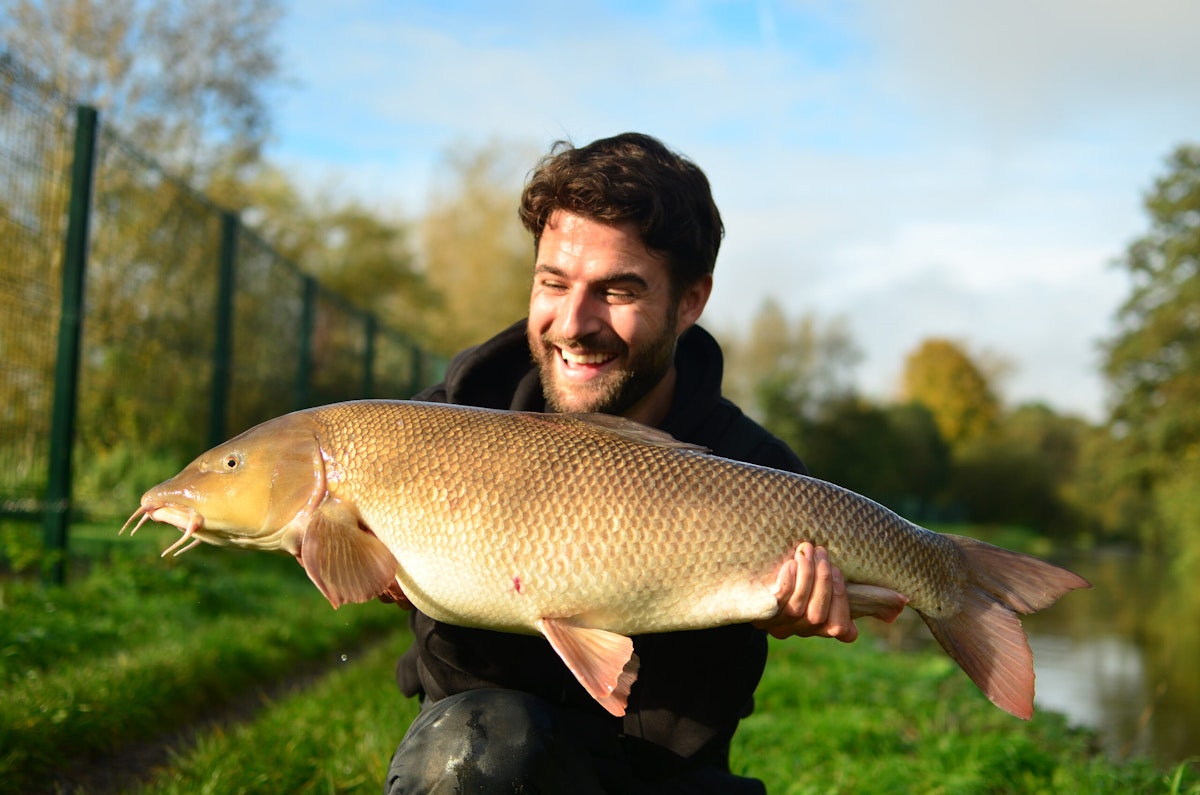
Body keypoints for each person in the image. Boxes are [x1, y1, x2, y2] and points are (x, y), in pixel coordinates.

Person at [386, 132, 881, 794]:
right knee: (475, 749)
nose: (573, 322)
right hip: (491, 754)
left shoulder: (753, 467)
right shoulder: (446, 420)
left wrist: (803, 602)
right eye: (553, 282)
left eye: (617, 290)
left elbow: (868, 597)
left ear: (690, 301)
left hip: (662, 773)